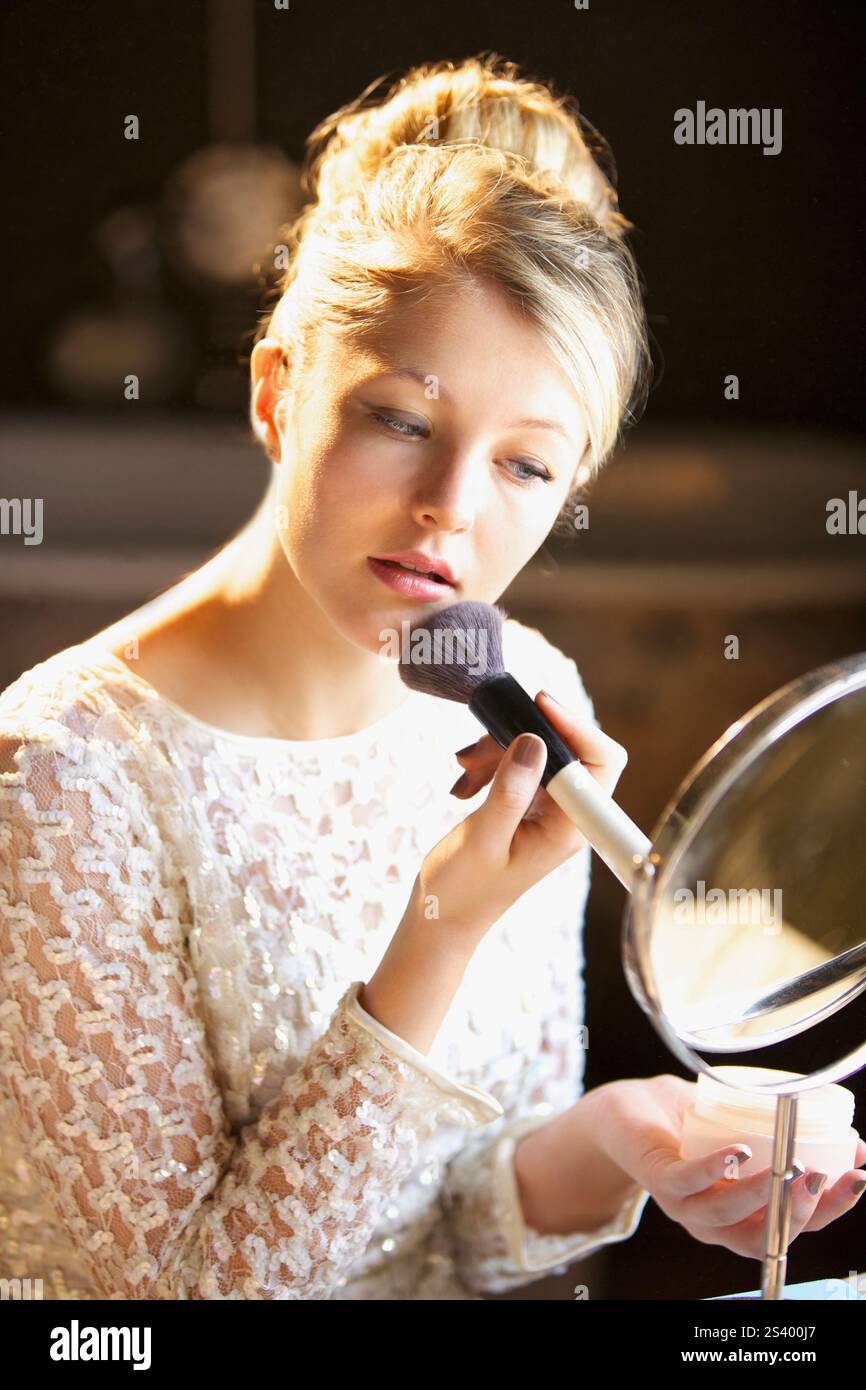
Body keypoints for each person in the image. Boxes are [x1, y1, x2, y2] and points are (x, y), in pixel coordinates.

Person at [1, 54, 862, 1303]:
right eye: (402, 419)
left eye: (522, 468)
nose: (446, 512)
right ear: (277, 391)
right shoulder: (61, 779)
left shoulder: (525, 686)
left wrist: (620, 1141)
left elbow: (451, 1213)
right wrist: (438, 934)